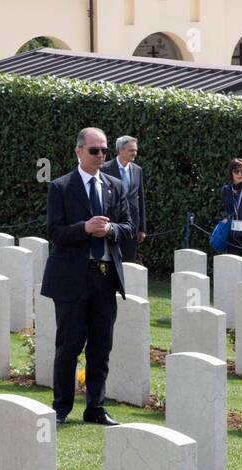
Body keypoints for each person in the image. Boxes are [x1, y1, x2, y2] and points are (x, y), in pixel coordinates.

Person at [42, 127, 134, 426]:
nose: (100, 156)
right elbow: (54, 231)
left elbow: (129, 227)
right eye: (94, 150)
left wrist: (110, 230)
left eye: (104, 151)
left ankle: (95, 406)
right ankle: (61, 407)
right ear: (79, 151)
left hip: (104, 277)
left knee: (100, 346)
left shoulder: (115, 186)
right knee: (68, 346)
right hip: (72, 279)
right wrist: (84, 228)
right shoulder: (61, 186)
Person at [102, 135, 146, 263]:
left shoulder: (138, 170)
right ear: (121, 150)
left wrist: (142, 228)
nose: (135, 153)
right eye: (131, 150)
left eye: (136, 150)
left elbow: (140, 198)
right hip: (111, 222)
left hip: (132, 224)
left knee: (128, 261)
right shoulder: (105, 168)